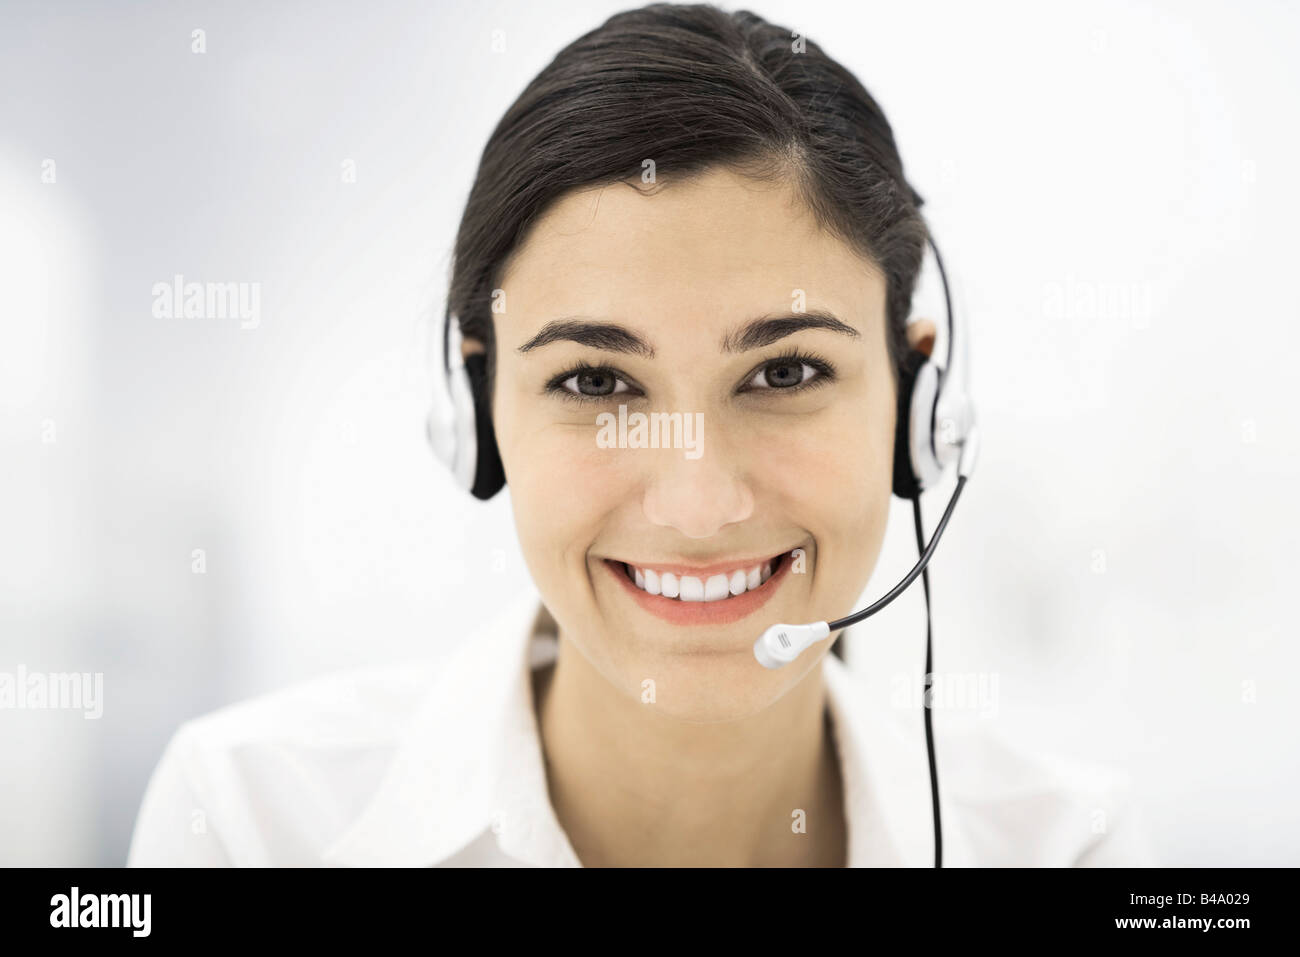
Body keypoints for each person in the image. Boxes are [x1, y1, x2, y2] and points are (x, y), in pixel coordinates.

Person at [127, 2, 1155, 867]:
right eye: (594, 380)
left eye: (784, 372)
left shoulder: (1071, 851)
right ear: (478, 410)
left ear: (916, 399)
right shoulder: (251, 823)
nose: (697, 502)